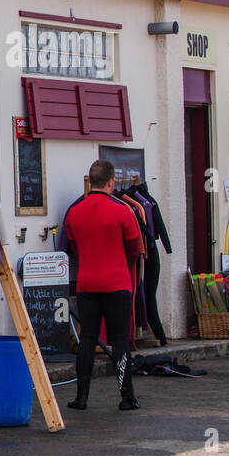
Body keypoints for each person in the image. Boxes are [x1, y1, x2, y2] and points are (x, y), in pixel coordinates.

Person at [62, 159, 143, 411]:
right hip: (117, 282)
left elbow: (73, 248)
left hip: (87, 284)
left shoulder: (74, 213)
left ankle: (81, 397)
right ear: (111, 182)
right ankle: (126, 396)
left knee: (87, 338)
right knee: (119, 340)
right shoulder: (123, 211)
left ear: (90, 181)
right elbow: (134, 249)